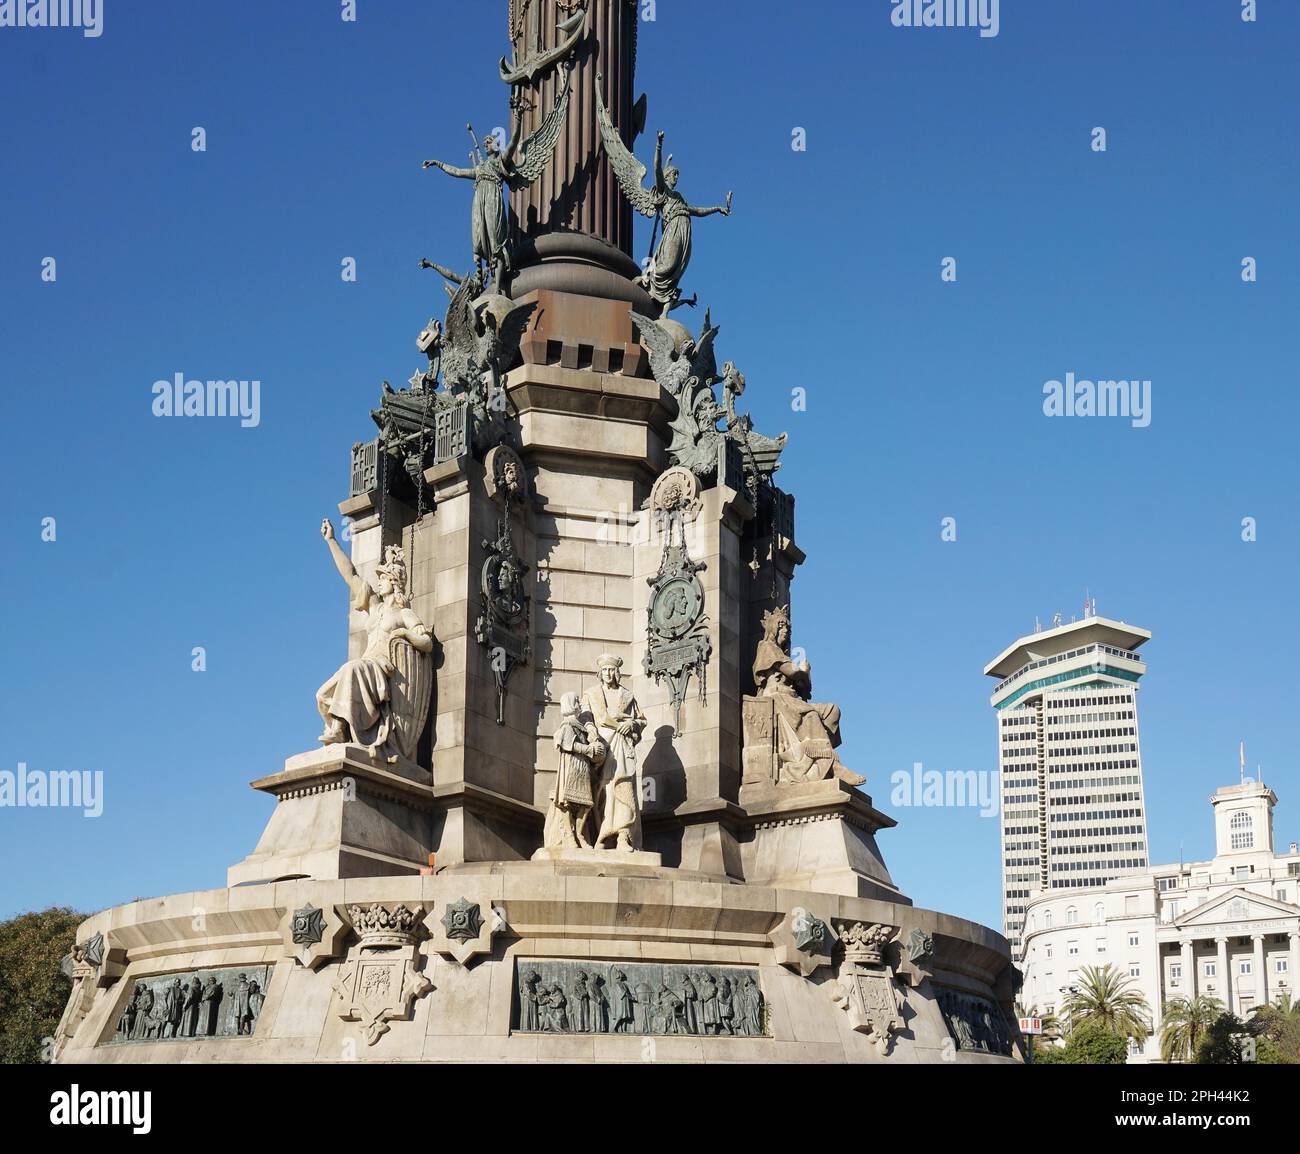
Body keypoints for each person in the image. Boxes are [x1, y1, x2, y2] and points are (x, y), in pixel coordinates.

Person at [316, 522, 433, 760]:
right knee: (322, 694)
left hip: (383, 669)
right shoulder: (374, 606)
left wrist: (405, 634)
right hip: (367, 666)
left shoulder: (404, 614)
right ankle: (340, 726)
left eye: (383, 578)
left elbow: (426, 642)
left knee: (352, 668)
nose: (378, 581)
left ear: (394, 582)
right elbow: (351, 575)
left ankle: (339, 729)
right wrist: (331, 541)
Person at [582, 655, 647, 851]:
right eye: (604, 670)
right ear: (599, 673)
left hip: (622, 746)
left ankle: (622, 835)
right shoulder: (591, 693)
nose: (608, 674)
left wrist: (631, 724)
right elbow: (585, 715)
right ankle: (603, 834)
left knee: (623, 785)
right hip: (602, 745)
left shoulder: (627, 695)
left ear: (616, 672)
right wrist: (591, 731)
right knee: (604, 790)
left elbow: (641, 720)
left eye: (611, 670)